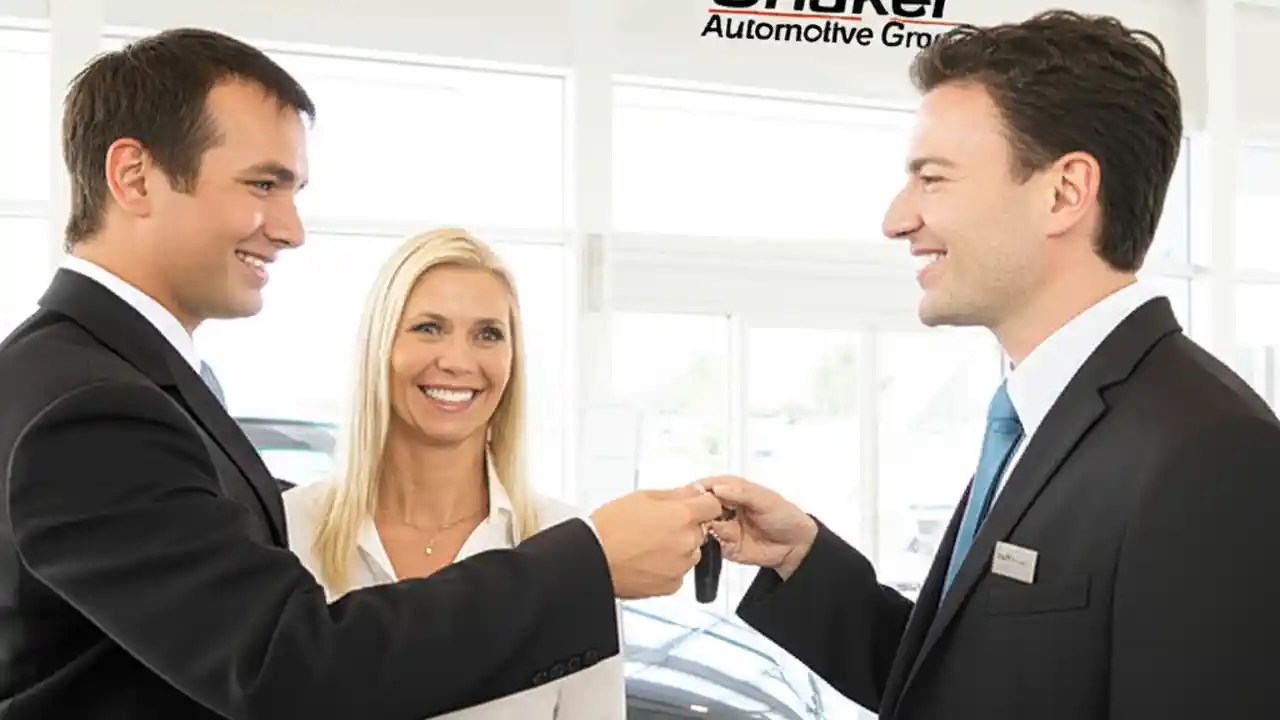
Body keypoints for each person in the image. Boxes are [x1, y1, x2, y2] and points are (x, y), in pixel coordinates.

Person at [0, 28, 723, 720]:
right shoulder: (93, 406)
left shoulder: (124, 377)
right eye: (262, 183)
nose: (290, 228)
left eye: (294, 192)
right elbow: (289, 665)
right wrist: (588, 566)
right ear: (134, 176)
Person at [705, 10, 1280, 720]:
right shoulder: (1042, 417)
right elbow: (966, 684)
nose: (896, 218)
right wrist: (802, 559)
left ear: (1064, 193)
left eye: (933, 179)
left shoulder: (1210, 454)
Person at [283, 227, 626, 718]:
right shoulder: (288, 530)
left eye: (488, 334)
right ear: (380, 346)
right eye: (429, 328)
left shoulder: (566, 547)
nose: (458, 361)